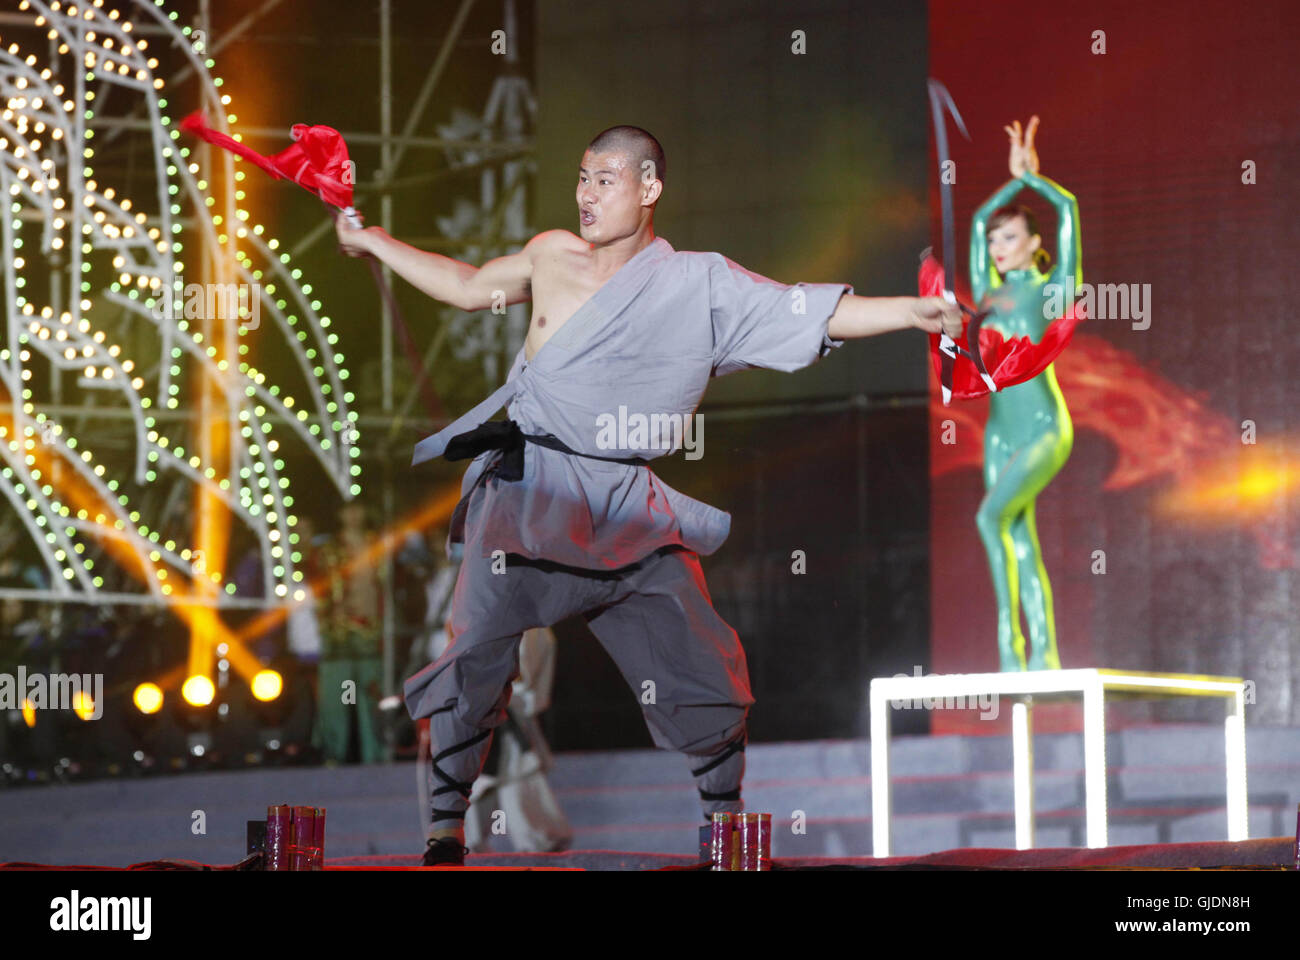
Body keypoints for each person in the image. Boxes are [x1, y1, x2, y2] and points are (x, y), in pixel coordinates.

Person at [335, 125, 962, 864]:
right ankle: (444, 835)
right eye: (582, 177)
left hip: (627, 507)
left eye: (605, 179)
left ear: (649, 188)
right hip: (530, 494)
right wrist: (373, 240)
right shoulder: (551, 255)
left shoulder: (698, 284)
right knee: (473, 654)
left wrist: (908, 311)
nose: (586, 194)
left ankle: (726, 829)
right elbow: (469, 286)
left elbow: (804, 311)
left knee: (701, 663)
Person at [968, 117, 1078, 671]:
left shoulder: (1051, 288)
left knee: (989, 519)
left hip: (1043, 429)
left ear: (1035, 244)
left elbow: (1069, 209)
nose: (996, 246)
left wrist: (1032, 180)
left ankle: (1010, 650)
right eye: (995, 241)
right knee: (1017, 536)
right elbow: (976, 220)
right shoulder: (987, 292)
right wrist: (1010, 182)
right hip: (998, 434)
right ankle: (1044, 653)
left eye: (1009, 237)